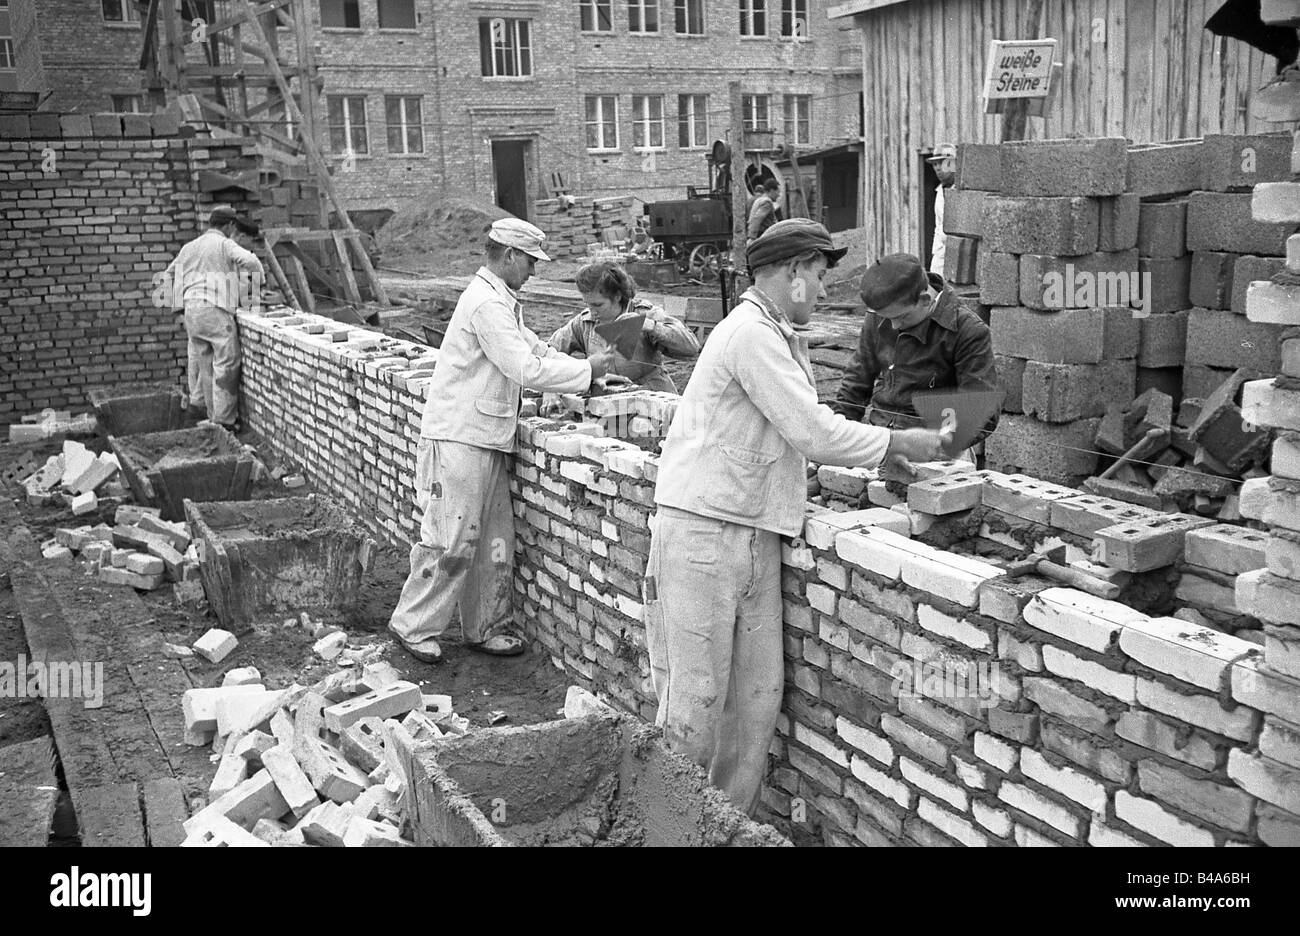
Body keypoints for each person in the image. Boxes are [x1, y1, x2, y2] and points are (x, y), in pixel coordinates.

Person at [646, 219, 951, 814]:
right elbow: (812, 429)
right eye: (817, 273)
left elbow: (790, 427)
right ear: (793, 272)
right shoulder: (749, 334)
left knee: (757, 701)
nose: (820, 285)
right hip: (703, 526)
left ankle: (726, 825)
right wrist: (898, 444)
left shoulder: (780, 331)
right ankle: (663, 827)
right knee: (696, 702)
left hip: (755, 526)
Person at [389, 218, 618, 664]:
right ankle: (413, 624)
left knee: (494, 541)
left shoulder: (503, 302)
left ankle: (486, 626)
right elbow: (525, 369)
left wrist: (589, 374)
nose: (533, 271)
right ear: (509, 256)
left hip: (489, 437)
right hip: (459, 437)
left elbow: (537, 351)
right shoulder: (485, 305)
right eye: (530, 262)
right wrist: (587, 370)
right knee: (451, 538)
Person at [832, 252, 998, 470]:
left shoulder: (967, 330)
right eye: (886, 318)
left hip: (936, 453)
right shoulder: (882, 313)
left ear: (925, 301)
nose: (893, 326)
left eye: (901, 318)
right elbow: (855, 384)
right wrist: (838, 445)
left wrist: (931, 447)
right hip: (882, 441)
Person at [166, 204, 264, 432]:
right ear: (230, 225)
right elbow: (250, 262)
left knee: (206, 366)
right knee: (227, 363)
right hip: (215, 309)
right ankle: (225, 422)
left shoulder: (190, 247)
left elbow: (170, 273)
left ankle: (212, 419)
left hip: (192, 311)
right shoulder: (224, 243)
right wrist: (260, 279)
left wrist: (178, 306)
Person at [547, 261, 700, 394]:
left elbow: (691, 347)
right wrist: (550, 390)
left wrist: (651, 326)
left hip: (650, 394)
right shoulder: (584, 322)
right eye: (587, 303)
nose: (592, 311)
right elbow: (549, 351)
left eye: (598, 305)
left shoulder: (644, 313)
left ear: (617, 296)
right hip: (607, 398)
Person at [927, 142, 957, 276]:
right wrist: (936, 254)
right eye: (935, 164)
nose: (938, 168)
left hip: (958, 253)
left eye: (942, 163)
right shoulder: (939, 191)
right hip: (940, 254)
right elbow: (938, 226)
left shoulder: (961, 191)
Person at [746, 178, 782, 245]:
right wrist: (752, 237)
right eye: (778, 191)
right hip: (763, 235)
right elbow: (757, 218)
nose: (779, 195)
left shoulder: (759, 200)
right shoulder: (767, 202)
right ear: (771, 190)